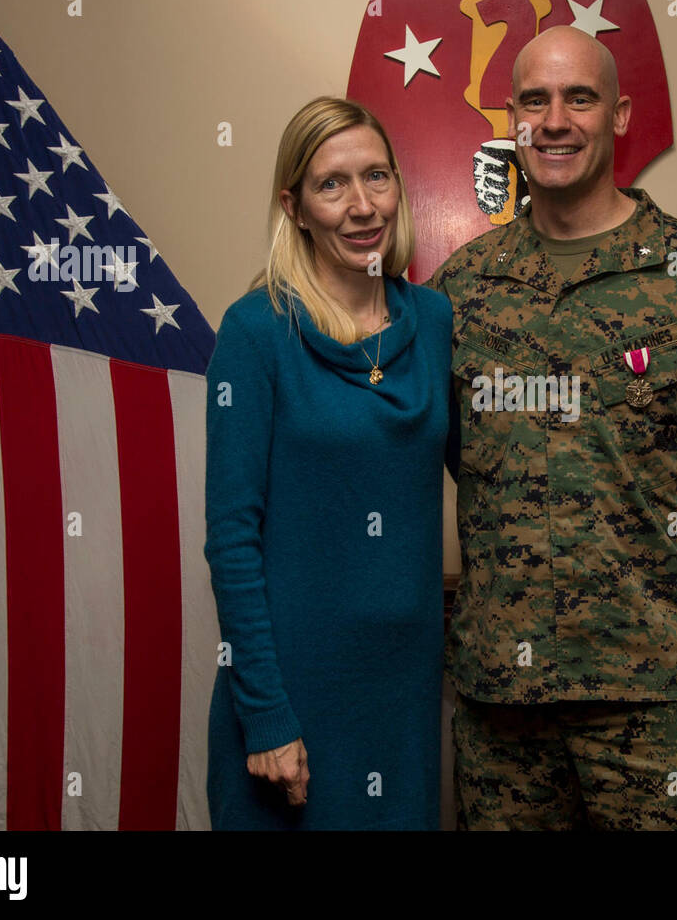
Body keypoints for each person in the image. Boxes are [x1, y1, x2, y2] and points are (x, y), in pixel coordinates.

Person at [432, 26, 677, 830]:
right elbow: (412, 454)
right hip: (503, 703)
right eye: (535, 100)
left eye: (579, 97)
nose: (555, 120)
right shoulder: (461, 291)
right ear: (511, 118)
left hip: (658, 698)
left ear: (619, 114)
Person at [205, 96, 452, 829]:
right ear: (295, 206)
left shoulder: (434, 322)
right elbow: (231, 537)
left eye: (377, 176)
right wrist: (268, 714)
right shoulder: (254, 333)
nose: (362, 205)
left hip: (403, 696)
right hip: (292, 694)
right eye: (331, 184)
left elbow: (495, 476)